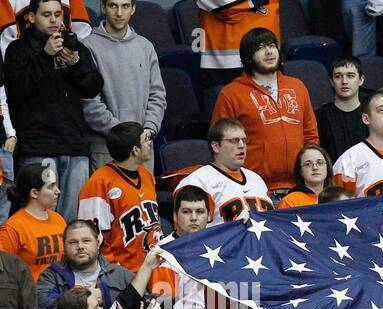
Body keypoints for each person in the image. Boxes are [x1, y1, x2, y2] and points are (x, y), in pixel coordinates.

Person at [3, 0, 103, 220]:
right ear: (31, 17)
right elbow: (18, 90)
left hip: (75, 145)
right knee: (39, 219)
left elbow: (93, 87)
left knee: (73, 222)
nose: (53, 20)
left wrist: (77, 63)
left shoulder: (74, 47)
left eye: (57, 14)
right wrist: (46, 56)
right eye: (46, 14)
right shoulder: (18, 49)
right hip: (38, 147)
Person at [211, 29, 318, 196]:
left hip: (299, 190)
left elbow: (310, 135)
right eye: (260, 47)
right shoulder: (231, 94)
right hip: (255, 191)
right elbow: (220, 145)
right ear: (248, 57)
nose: (268, 51)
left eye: (272, 45)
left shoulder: (298, 86)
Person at [81, 0, 164, 172]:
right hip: (105, 148)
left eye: (125, 6)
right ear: (103, 7)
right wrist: (123, 136)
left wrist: (148, 130)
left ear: (133, 9)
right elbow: (89, 102)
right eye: (113, 6)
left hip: (142, 148)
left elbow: (157, 95)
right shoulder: (87, 47)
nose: (119, 13)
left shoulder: (145, 47)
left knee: (143, 199)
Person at [75, 124, 159, 272]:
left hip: (154, 265)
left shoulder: (147, 176)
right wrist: (113, 271)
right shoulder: (99, 182)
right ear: (135, 150)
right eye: (146, 140)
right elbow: (92, 235)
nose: (150, 143)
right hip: (123, 273)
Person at [173, 118, 274, 223]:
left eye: (244, 140)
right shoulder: (197, 182)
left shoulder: (257, 179)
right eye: (234, 141)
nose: (241, 146)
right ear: (216, 146)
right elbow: (188, 233)